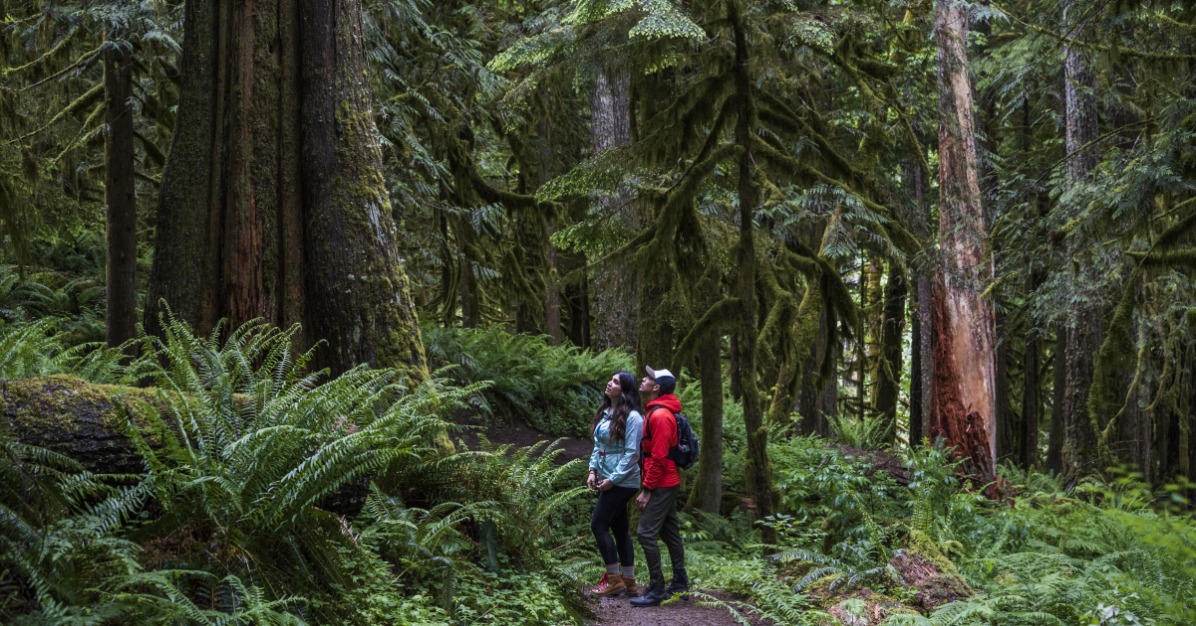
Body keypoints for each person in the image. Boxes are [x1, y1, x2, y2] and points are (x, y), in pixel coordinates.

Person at [630, 366, 689, 607]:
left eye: (648, 378)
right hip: (666, 482)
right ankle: (680, 584)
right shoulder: (655, 412)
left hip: (662, 483)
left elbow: (659, 457)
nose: (643, 379)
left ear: (656, 387)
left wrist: (647, 489)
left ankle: (656, 588)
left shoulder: (661, 416)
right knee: (670, 533)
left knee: (645, 533)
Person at [587, 371, 645, 597]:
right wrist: (592, 470)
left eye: (616, 382)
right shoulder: (606, 413)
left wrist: (613, 479)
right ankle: (629, 581)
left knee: (598, 525)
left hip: (624, 481)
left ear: (625, 390)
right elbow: (598, 446)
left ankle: (613, 579)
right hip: (606, 478)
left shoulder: (633, 418)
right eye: (610, 380)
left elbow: (632, 455)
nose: (609, 384)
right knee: (620, 529)